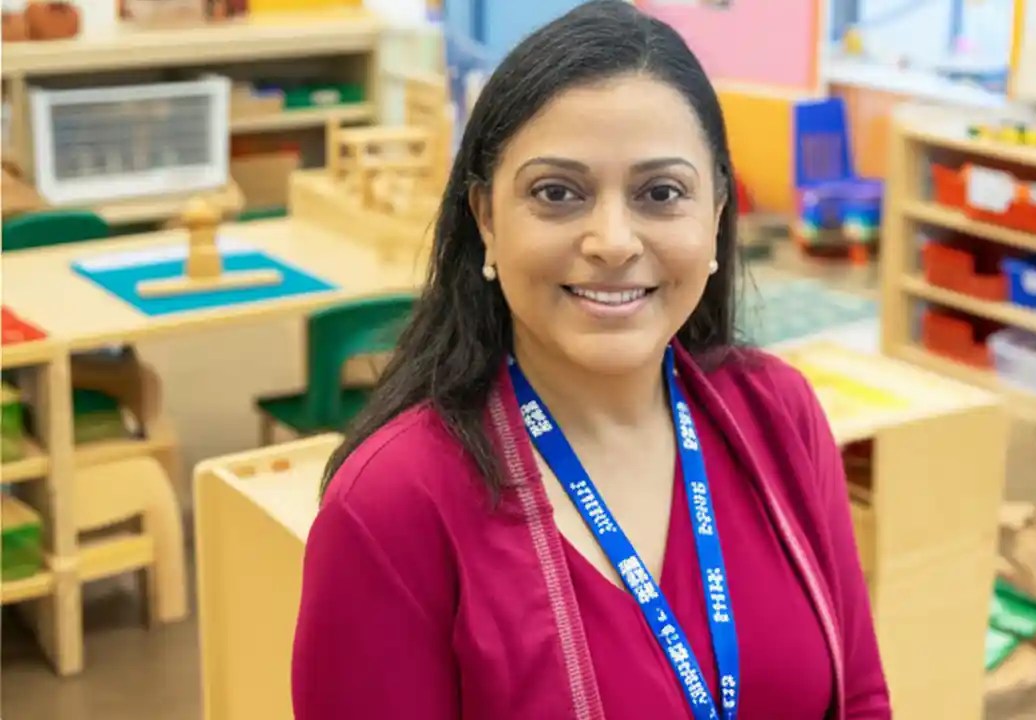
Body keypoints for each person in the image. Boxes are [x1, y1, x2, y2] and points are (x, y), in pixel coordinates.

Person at [292, 2, 890, 718]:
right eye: (557, 193)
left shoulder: (777, 413)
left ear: (718, 211)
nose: (612, 240)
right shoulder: (394, 504)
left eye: (661, 193)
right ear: (486, 218)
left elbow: (859, 699)